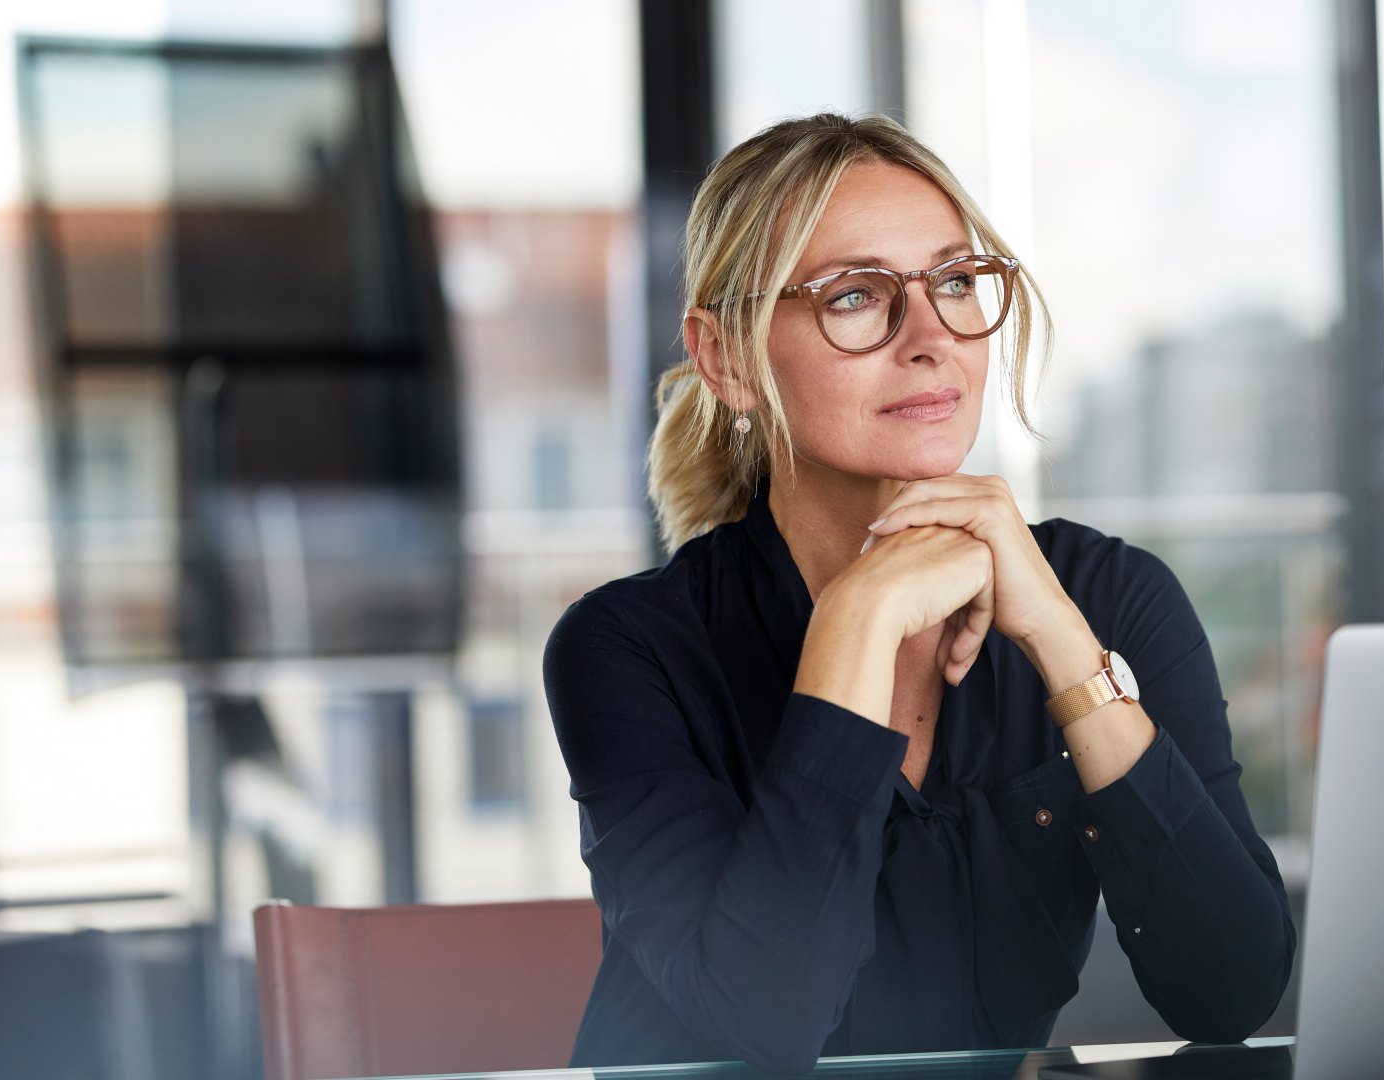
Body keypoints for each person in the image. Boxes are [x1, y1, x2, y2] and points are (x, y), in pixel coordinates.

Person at [544, 113, 1294, 1072]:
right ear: (728, 359)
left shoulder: (1107, 596)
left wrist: (1062, 644)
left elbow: (1232, 992)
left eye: (954, 281)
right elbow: (763, 1027)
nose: (934, 337)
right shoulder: (627, 646)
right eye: (856, 296)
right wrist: (857, 620)